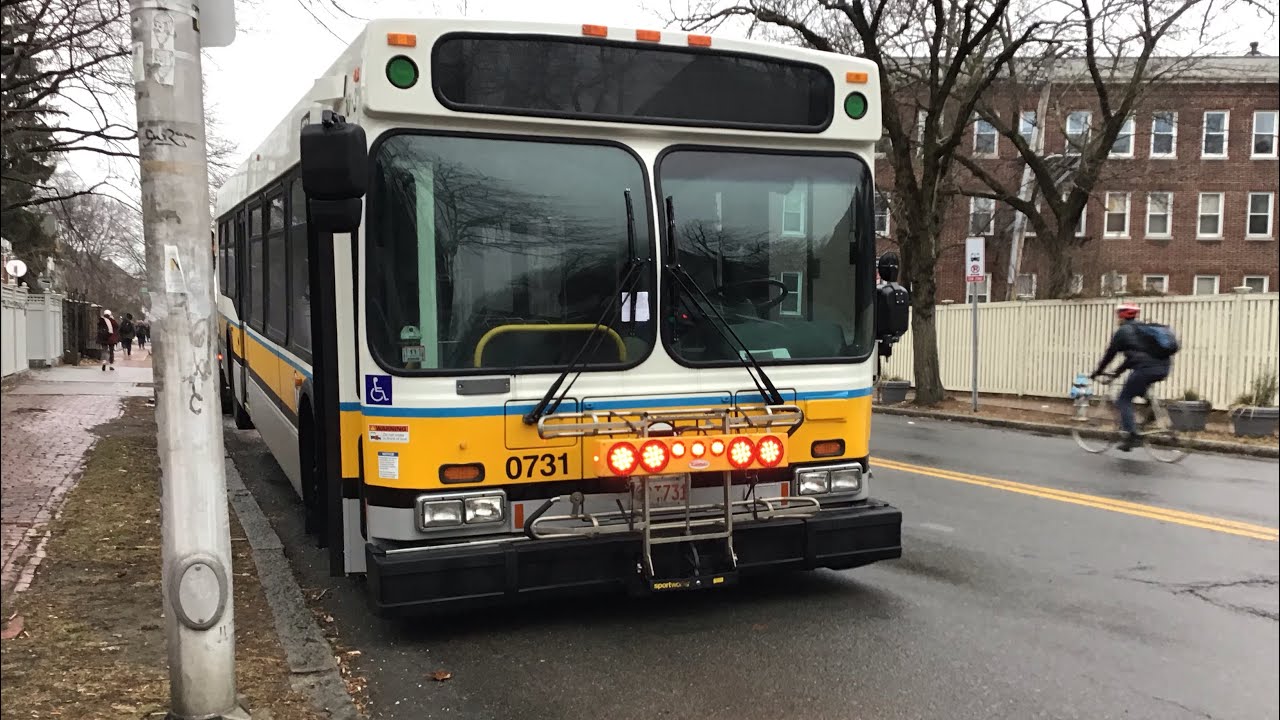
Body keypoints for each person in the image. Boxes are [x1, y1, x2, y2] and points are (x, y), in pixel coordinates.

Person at [1090, 302, 1170, 451]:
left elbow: (1110, 355)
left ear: (1121, 316)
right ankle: (1151, 410)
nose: (1117, 318)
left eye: (1117, 315)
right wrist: (1117, 373)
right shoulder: (1144, 330)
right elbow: (1132, 359)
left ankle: (1133, 436)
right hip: (1163, 368)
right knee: (1137, 388)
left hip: (1146, 369)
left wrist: (1097, 371)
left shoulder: (1123, 332)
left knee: (1123, 399)